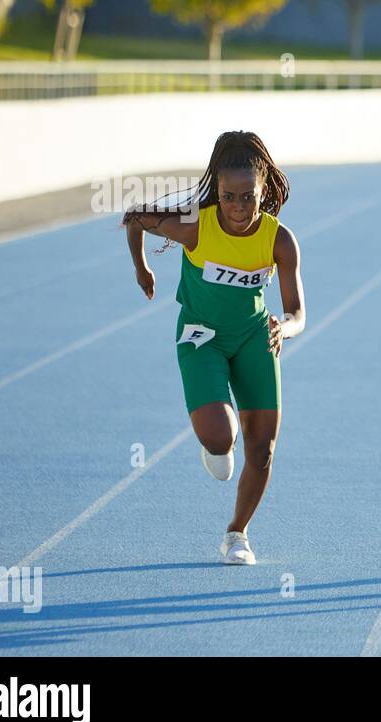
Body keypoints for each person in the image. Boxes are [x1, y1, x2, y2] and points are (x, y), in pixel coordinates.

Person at [123, 131, 306, 564]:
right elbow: (134, 217)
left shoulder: (279, 240)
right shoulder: (195, 226)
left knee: (262, 449)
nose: (240, 207)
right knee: (223, 439)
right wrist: (142, 267)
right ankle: (216, 441)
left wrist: (287, 329)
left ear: (264, 191)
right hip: (201, 337)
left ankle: (237, 533)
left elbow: (298, 312)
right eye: (229, 197)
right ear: (216, 193)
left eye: (249, 196)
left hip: (253, 338)